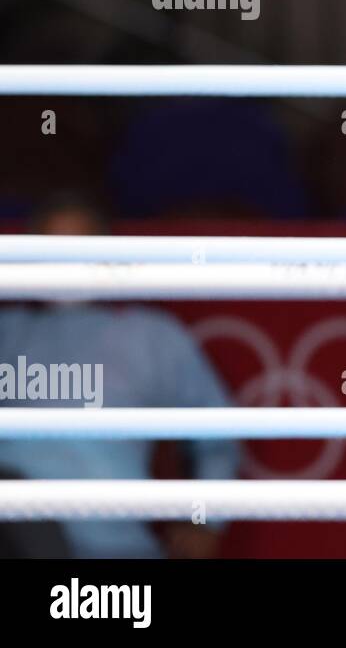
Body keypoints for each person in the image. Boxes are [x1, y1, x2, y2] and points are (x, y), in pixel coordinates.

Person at [0, 191, 240, 558]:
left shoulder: (152, 335)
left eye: (79, 252)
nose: (66, 267)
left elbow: (219, 437)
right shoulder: (6, 330)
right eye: (53, 253)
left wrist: (205, 521)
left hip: (116, 548)